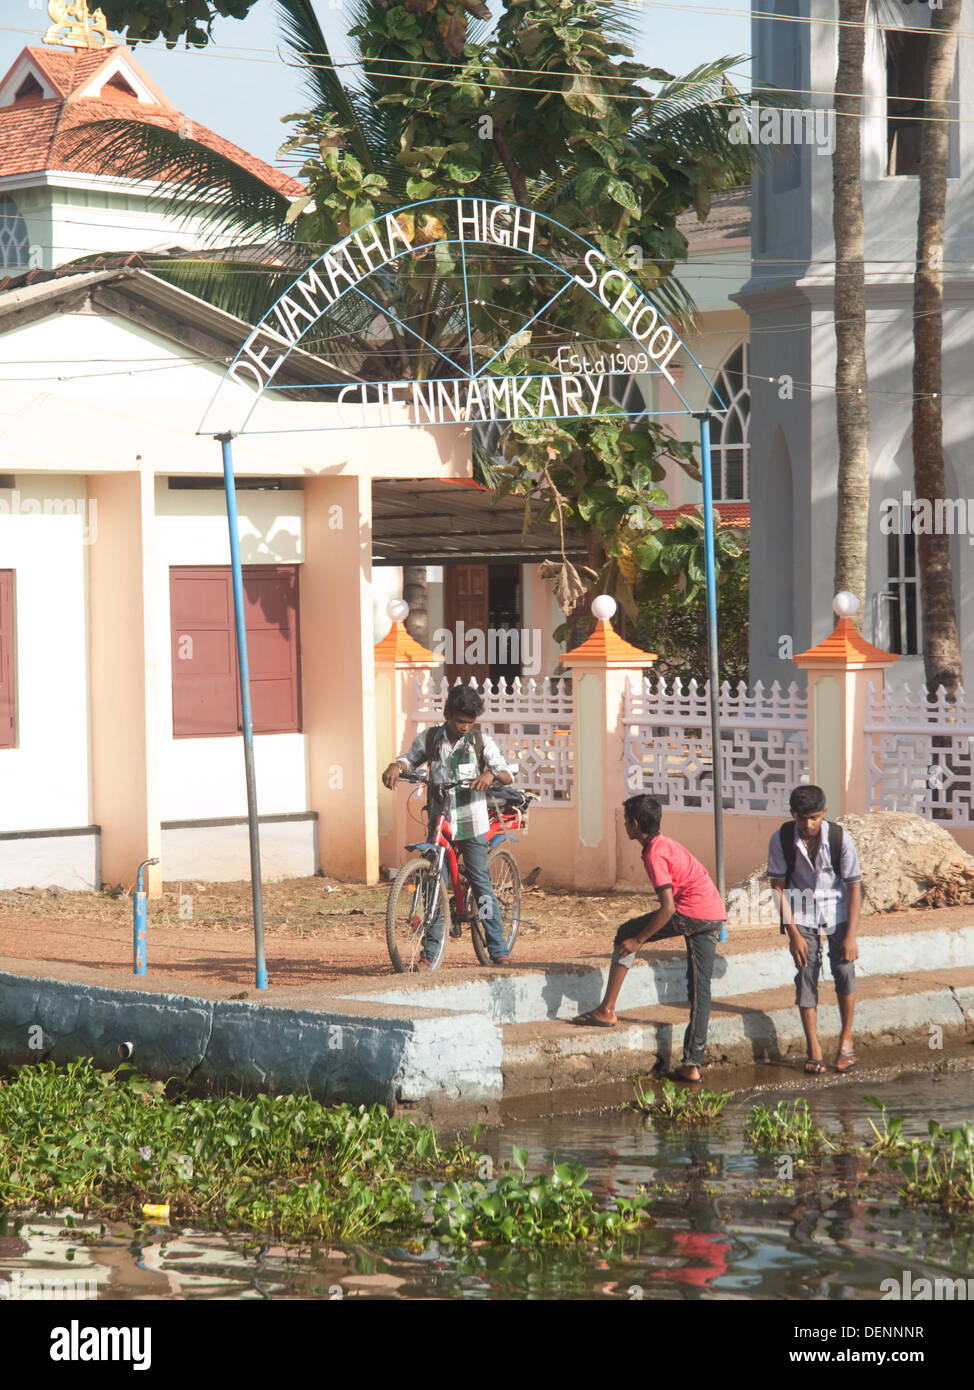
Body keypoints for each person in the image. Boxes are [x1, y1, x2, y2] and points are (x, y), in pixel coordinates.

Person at [572, 794, 726, 1083]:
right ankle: (692, 1064)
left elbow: (667, 908)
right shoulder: (665, 843)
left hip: (692, 913)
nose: (623, 826)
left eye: (625, 821)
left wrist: (639, 940)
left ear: (634, 823)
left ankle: (606, 1010)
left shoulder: (654, 853)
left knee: (626, 934)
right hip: (713, 912)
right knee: (700, 991)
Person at [381, 684, 515, 969]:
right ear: (447, 715)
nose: (465, 727)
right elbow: (410, 759)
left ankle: (497, 946)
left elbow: (506, 772)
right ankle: (429, 954)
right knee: (432, 885)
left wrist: (490, 775)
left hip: (472, 821)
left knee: (481, 884)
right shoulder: (431, 738)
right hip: (439, 820)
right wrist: (397, 766)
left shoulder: (481, 742)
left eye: (470, 722)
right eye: (459, 721)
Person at [767, 784, 862, 1075]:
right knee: (806, 971)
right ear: (793, 815)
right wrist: (793, 934)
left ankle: (846, 1038)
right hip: (801, 910)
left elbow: (854, 886)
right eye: (801, 818)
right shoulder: (781, 839)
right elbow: (777, 888)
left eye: (813, 817)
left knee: (843, 969)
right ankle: (814, 1048)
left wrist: (851, 935)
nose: (807, 824)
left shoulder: (839, 838)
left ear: (824, 813)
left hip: (839, 908)